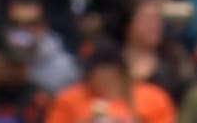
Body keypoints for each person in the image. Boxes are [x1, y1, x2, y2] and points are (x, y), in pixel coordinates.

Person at [0, 0, 83, 95]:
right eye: (16, 24)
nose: (24, 31)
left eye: (32, 24)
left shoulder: (66, 70)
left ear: (44, 25)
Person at [44, 40, 176, 123]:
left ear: (117, 71)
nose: (90, 77)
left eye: (99, 71)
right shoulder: (69, 99)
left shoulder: (153, 98)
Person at [116, 0, 197, 104]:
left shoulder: (176, 61)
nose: (154, 25)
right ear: (128, 23)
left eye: (158, 19)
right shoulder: (112, 62)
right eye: (147, 19)